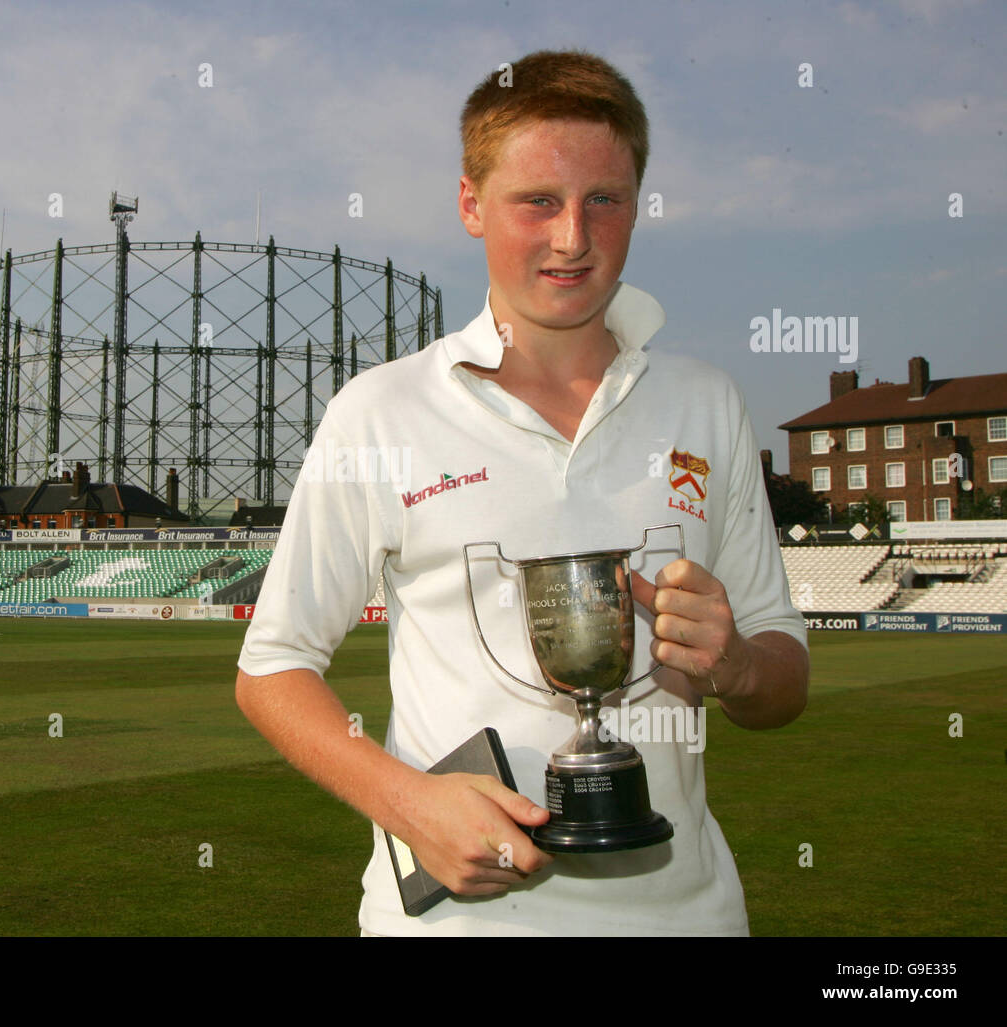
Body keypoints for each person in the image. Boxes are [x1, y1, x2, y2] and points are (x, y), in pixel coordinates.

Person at [235, 49, 808, 936]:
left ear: (636, 205)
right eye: (537, 200)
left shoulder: (707, 402)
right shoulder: (382, 412)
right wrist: (409, 804)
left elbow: (784, 680)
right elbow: (272, 667)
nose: (573, 236)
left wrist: (735, 666)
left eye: (604, 200)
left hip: (686, 917)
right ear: (471, 204)